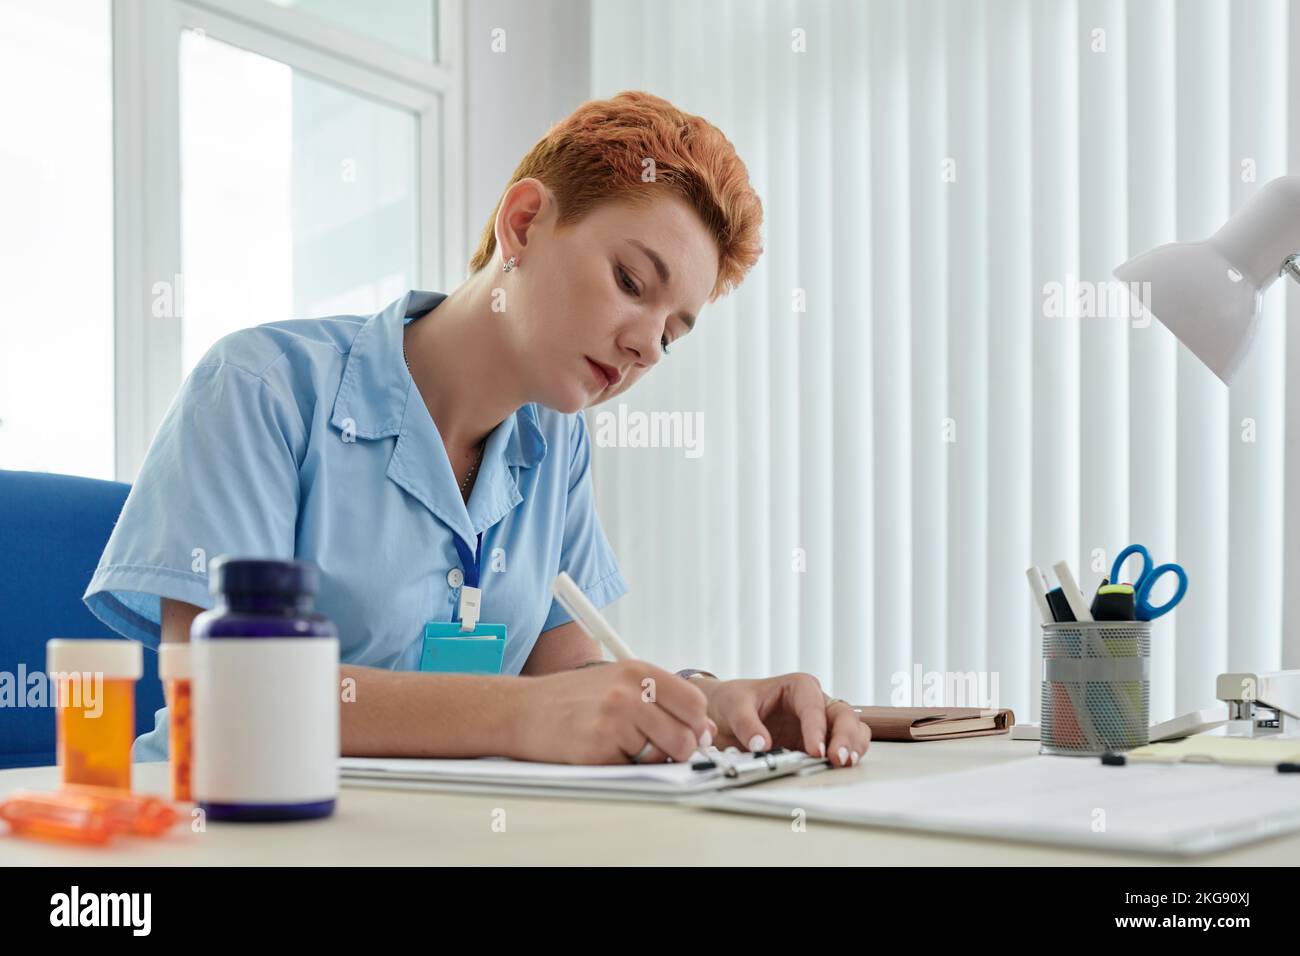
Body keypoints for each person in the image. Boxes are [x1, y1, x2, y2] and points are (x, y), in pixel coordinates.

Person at [84, 90, 871, 769]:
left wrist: (705, 705)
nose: (645, 347)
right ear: (523, 224)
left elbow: (568, 682)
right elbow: (225, 694)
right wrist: (518, 717)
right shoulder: (261, 386)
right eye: (631, 281)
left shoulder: (554, 445)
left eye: (672, 333)